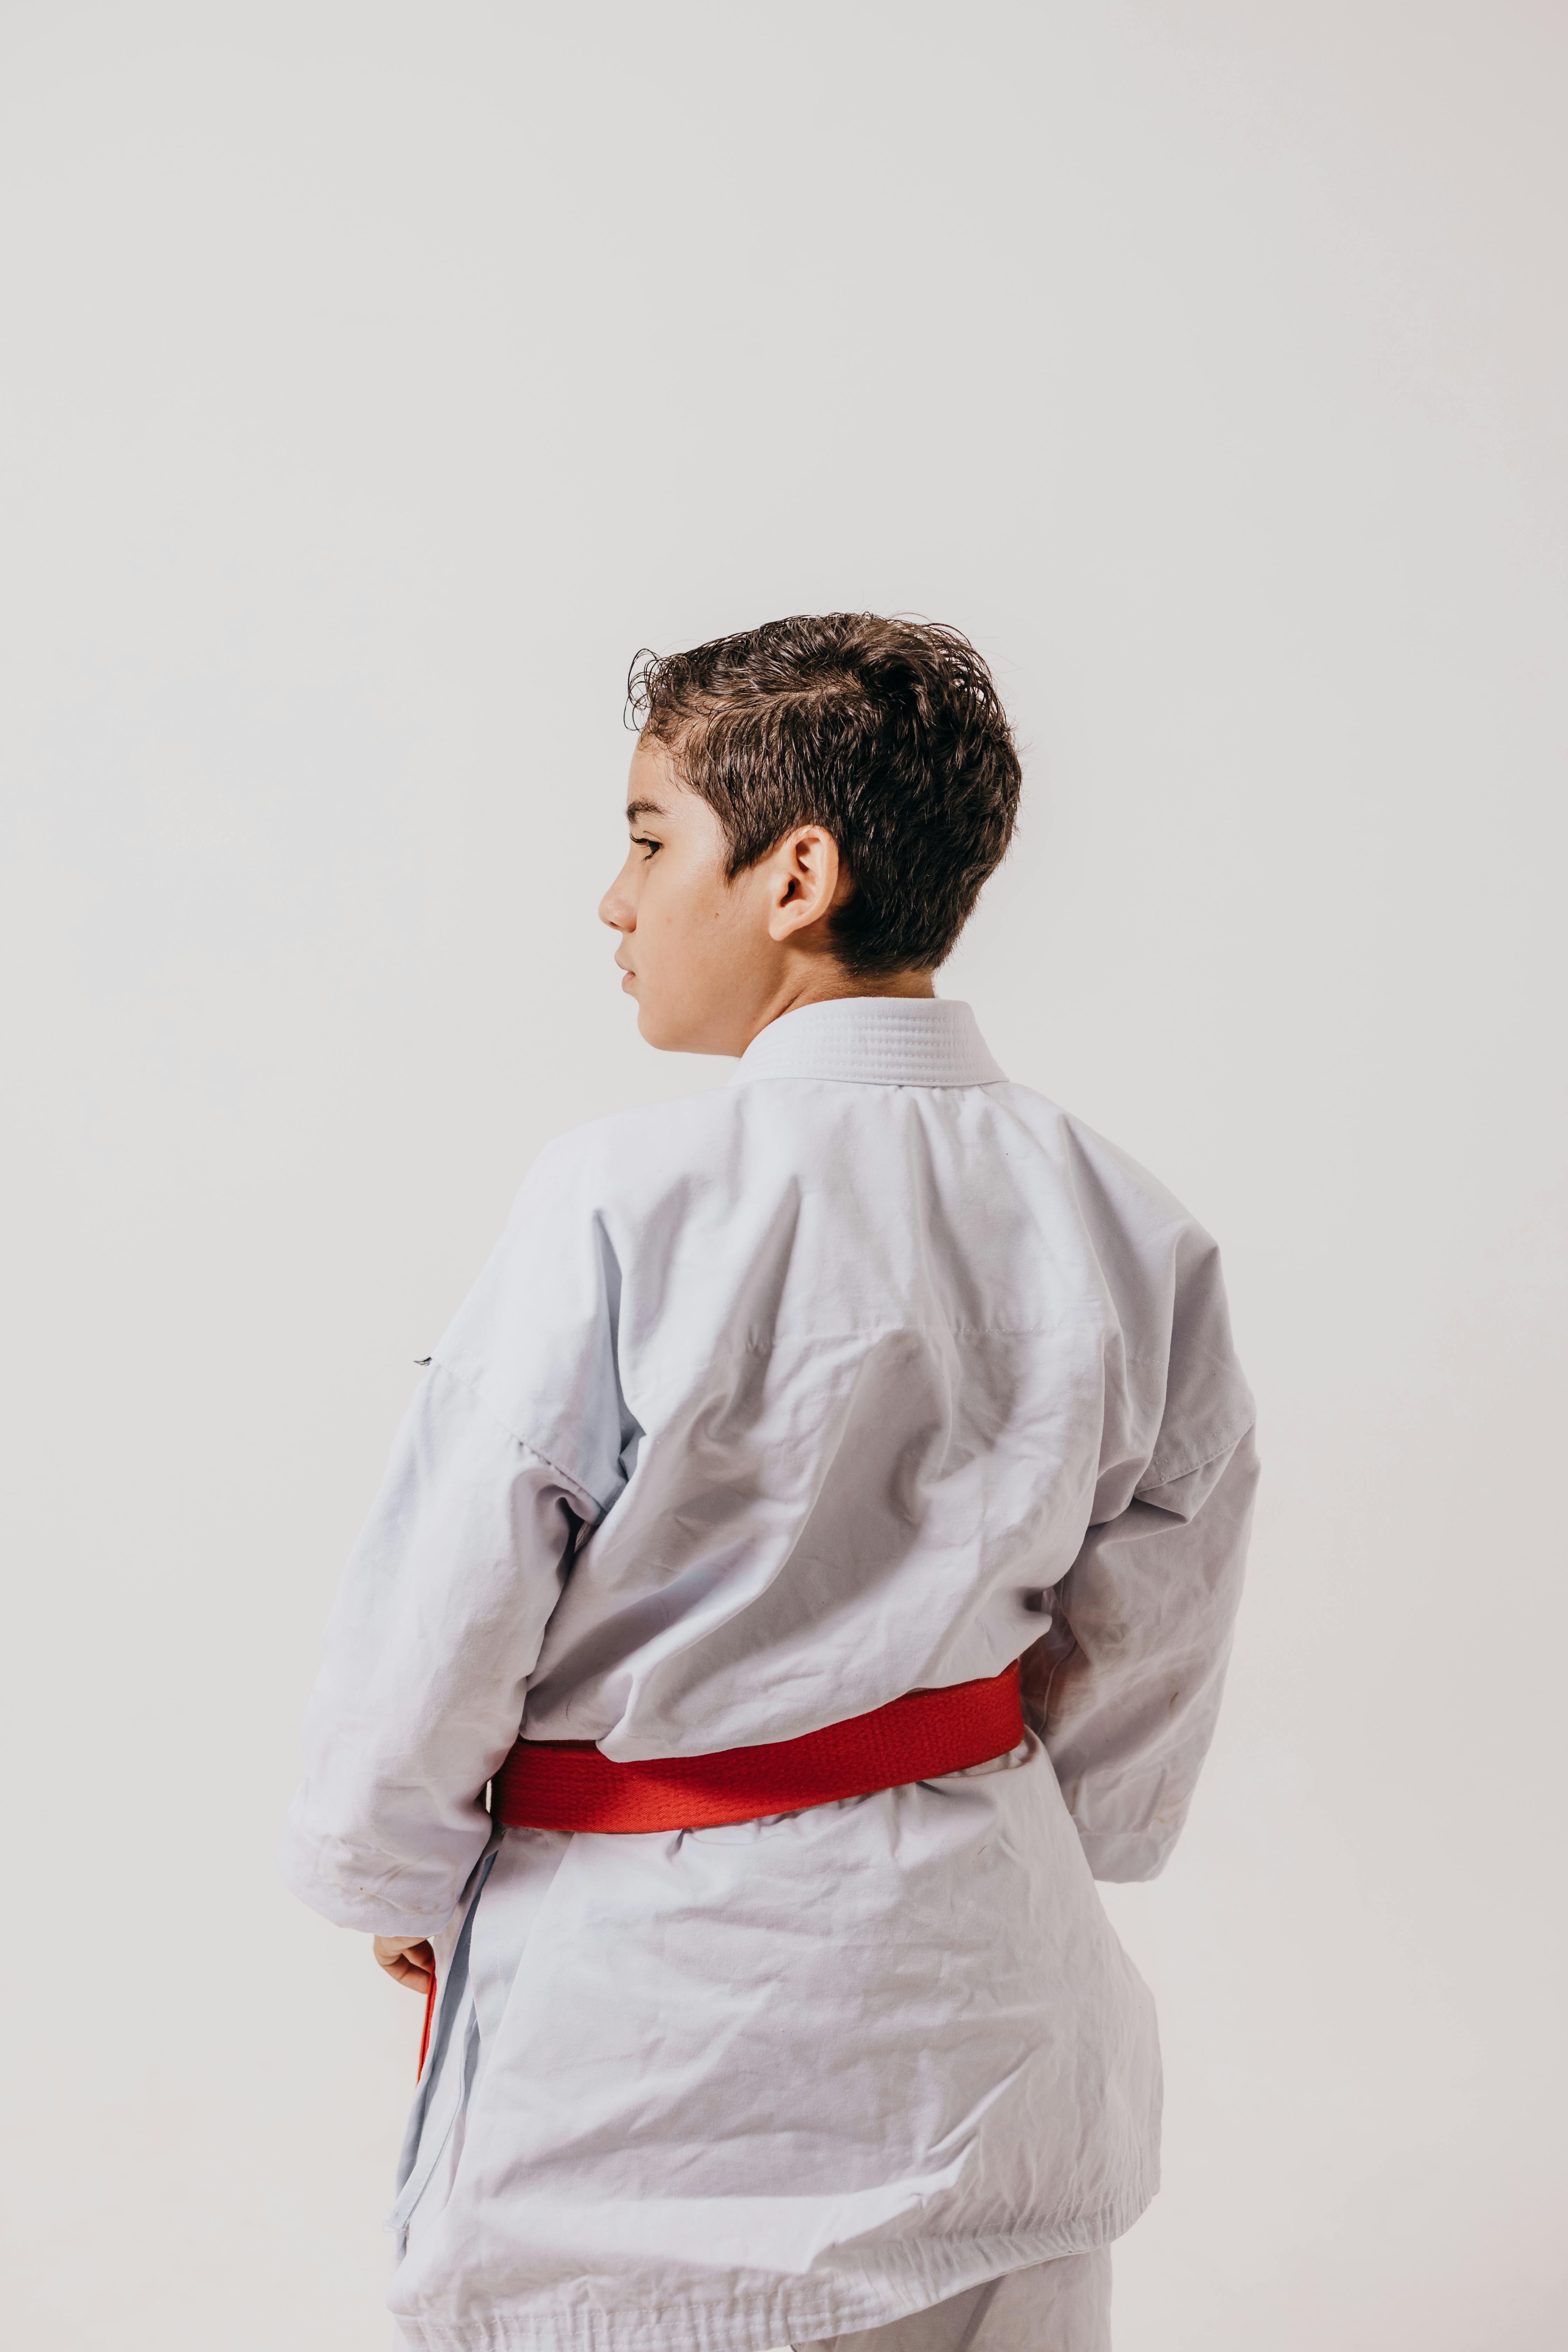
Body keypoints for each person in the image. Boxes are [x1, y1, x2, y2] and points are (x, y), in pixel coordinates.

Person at [280, 613, 1258, 2352]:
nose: (615, 900)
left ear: (795, 873)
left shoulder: (620, 1203)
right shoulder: (1127, 1219)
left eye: (651, 839)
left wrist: (397, 1873)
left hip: (660, 2064)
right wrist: (996, 1805)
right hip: (994, 2017)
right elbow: (1145, 1660)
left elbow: (442, 1619)